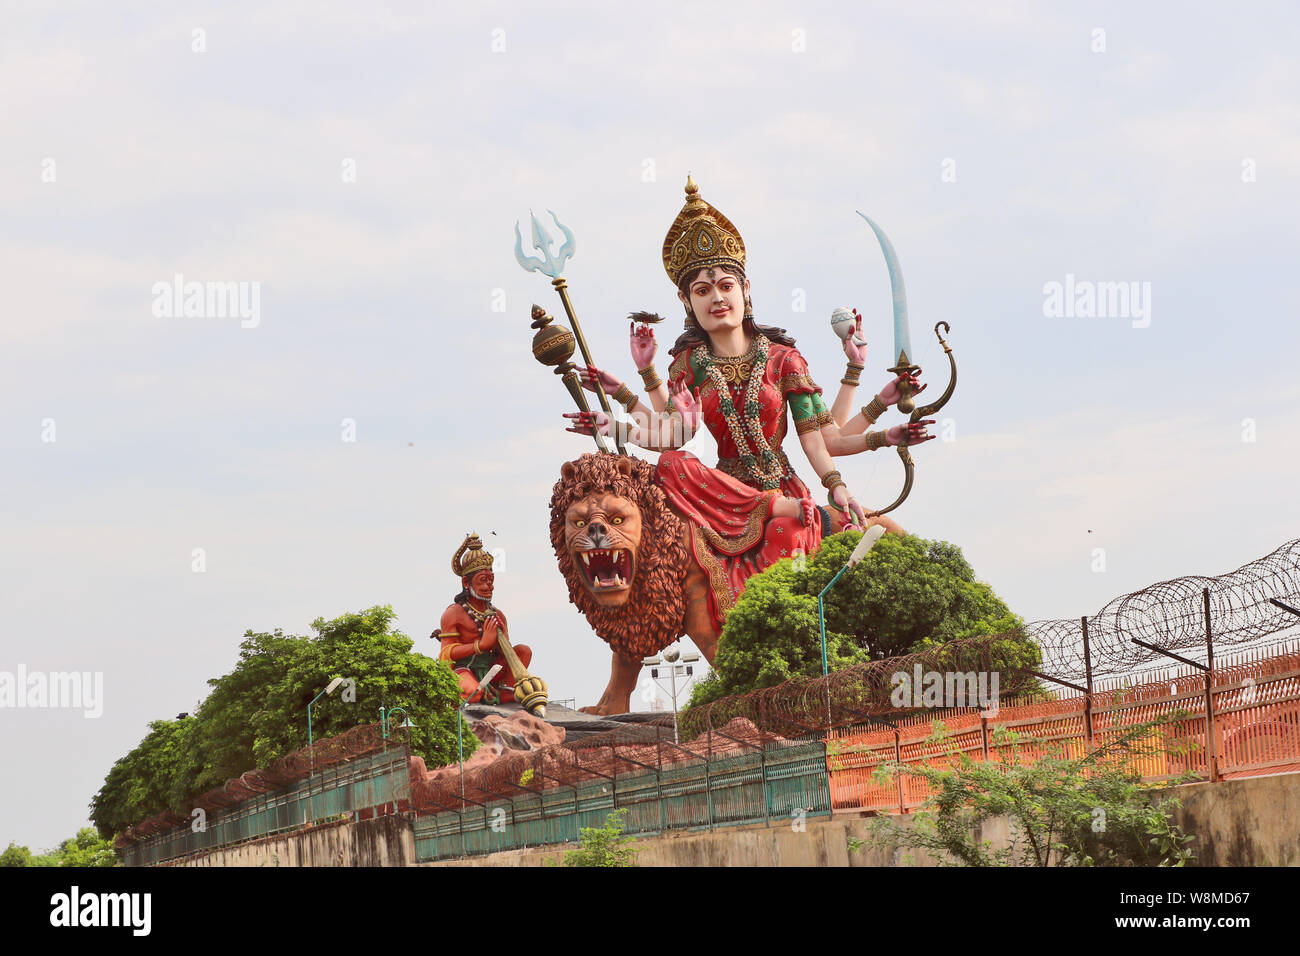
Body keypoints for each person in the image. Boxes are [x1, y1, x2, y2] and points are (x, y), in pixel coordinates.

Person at [564, 177, 933, 633]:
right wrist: (624, 405)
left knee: (790, 530)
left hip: (784, 493)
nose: (716, 298)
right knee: (674, 465)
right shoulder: (690, 362)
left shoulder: (783, 358)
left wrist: (844, 480)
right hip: (723, 496)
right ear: (686, 300)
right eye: (701, 290)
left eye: (724, 285)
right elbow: (670, 434)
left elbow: (821, 439)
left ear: (745, 288)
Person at [434, 534, 532, 705]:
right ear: (466, 582)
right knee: (473, 693)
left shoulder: (497, 614)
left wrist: (499, 641)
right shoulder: (453, 613)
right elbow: (446, 654)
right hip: (463, 670)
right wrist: (481, 645)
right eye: (483, 580)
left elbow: (506, 655)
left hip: (491, 671)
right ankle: (484, 696)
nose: (489, 586)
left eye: (491, 580)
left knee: (524, 651)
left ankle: (501, 691)